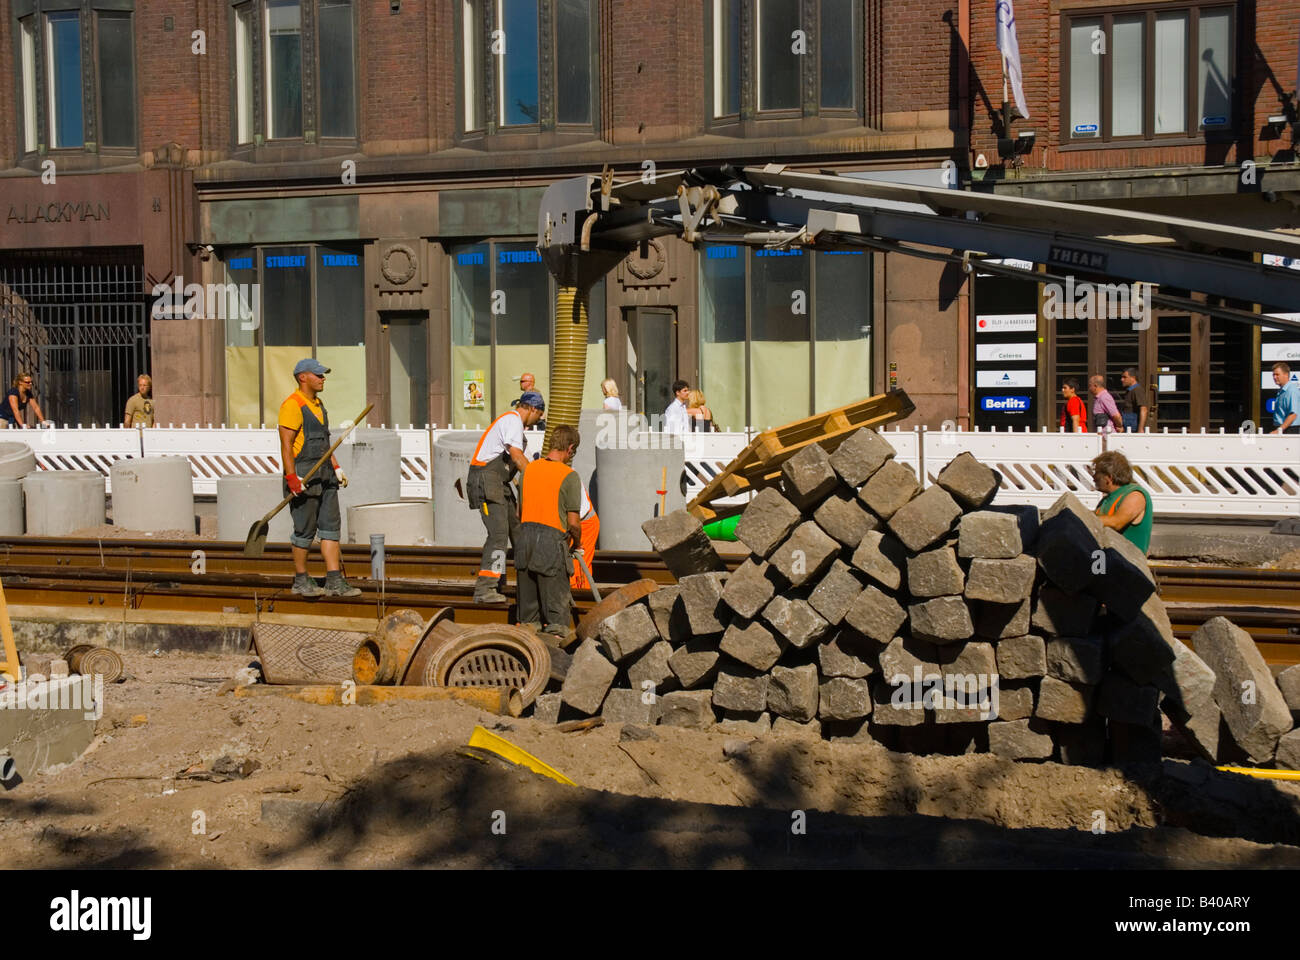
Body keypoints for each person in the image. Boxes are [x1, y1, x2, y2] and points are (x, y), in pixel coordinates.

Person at [277, 358, 360, 597]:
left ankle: (334, 580)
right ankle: (301, 580)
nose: (323, 379)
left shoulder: (318, 404)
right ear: (303, 377)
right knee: (304, 530)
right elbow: (286, 445)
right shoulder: (292, 405)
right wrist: (292, 477)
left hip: (324, 476)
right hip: (304, 477)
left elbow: (324, 443)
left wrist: (336, 467)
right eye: (319, 375)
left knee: (331, 528)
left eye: (323, 375)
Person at [466, 390, 545, 603]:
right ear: (533, 409)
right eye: (539, 417)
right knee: (499, 535)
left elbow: (513, 463)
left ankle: (526, 584)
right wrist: (538, 481)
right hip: (487, 483)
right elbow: (517, 456)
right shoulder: (513, 420)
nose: (537, 422)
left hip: (499, 484)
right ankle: (485, 589)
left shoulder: (514, 425)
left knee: (518, 532)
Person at [516, 424, 582, 640]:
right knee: (556, 619)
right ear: (570, 448)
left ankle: (528, 650)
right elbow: (573, 522)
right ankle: (554, 651)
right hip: (551, 543)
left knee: (528, 617)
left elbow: (520, 513)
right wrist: (577, 543)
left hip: (524, 539)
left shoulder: (529, 470)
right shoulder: (569, 475)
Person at [1091, 450, 1153, 554]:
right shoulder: (1107, 499)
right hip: (1105, 563)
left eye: (1097, 473)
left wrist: (1083, 519)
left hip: (1127, 565)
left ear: (1108, 478)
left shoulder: (1135, 495)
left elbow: (1117, 522)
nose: (1093, 478)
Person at [569, 476, 600, 593]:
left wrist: (577, 543)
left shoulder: (568, 476)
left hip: (583, 522)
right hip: (572, 521)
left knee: (577, 566)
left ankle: (580, 596)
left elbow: (573, 521)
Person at [1270, 362, 1299, 435]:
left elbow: (1293, 415)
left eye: (1277, 374)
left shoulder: (1291, 390)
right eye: (1273, 375)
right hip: (1283, 429)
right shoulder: (1282, 391)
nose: (1274, 377)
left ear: (1286, 375)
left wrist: (1278, 431)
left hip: (1290, 430)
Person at [1118, 368, 1149, 433]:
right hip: (1128, 426)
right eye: (1122, 377)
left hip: (1133, 428)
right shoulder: (1129, 390)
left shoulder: (1137, 390)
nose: (1122, 379)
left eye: (1125, 377)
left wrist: (1140, 429)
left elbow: (1144, 409)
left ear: (1133, 378)